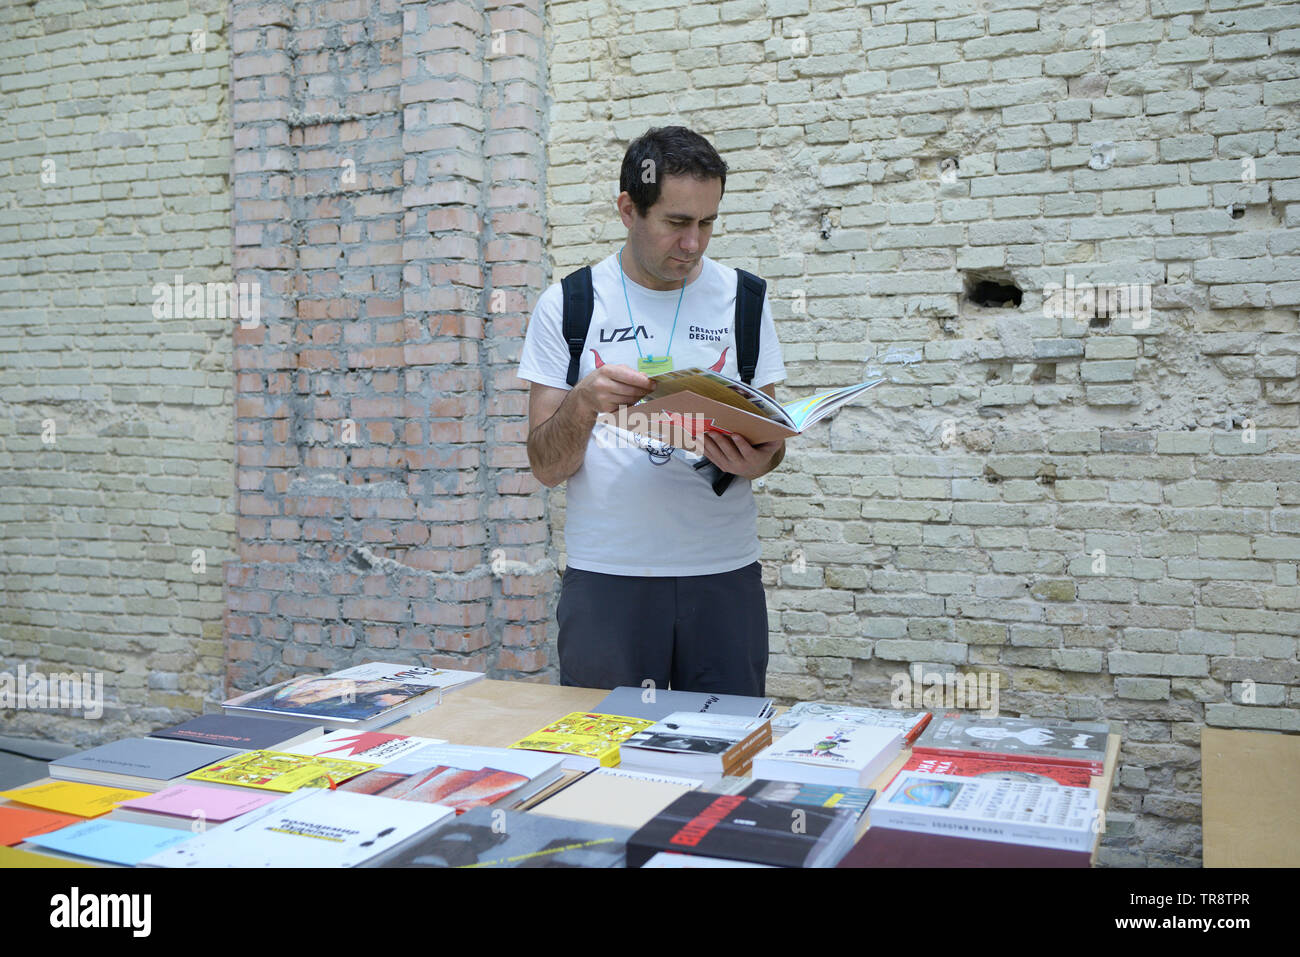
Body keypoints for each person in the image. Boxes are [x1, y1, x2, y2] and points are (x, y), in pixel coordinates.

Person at [517, 126, 786, 696]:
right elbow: (545, 466)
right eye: (676, 223)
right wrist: (584, 402)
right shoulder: (568, 303)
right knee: (603, 756)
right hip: (608, 580)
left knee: (725, 758)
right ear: (627, 209)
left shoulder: (746, 298)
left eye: (708, 223)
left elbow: (772, 446)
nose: (693, 244)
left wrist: (755, 459)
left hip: (723, 576)